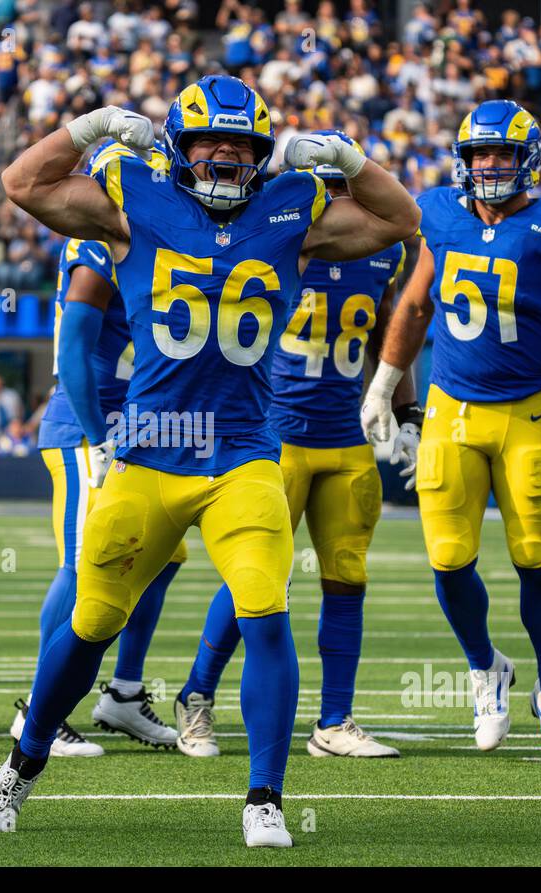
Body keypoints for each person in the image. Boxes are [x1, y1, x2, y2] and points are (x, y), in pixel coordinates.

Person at [0, 74, 418, 846]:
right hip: (148, 453)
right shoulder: (132, 194)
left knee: (266, 613)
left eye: (242, 144)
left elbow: (402, 219)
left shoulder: (291, 208)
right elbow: (20, 182)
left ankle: (264, 798)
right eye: (210, 139)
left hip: (242, 454)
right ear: (177, 144)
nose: (224, 155)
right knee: (89, 625)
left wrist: (349, 155)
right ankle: (22, 762)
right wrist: (95, 126)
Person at [369, 100, 541, 765]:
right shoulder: (441, 215)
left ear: (527, 160)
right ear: (464, 159)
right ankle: (485, 669)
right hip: (451, 409)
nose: (491, 165)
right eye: (481, 154)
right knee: (448, 559)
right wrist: (383, 385)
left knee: (537, 558)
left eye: (503, 154)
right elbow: (416, 303)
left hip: (527, 413)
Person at [173, 130, 414, 760]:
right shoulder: (277, 240)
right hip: (274, 432)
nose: (333, 206)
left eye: (341, 191)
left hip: (344, 433)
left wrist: (401, 403)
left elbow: (390, 326)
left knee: (346, 578)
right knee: (254, 578)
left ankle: (334, 720)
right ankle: (196, 697)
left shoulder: (382, 253)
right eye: (322, 192)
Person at [18, 140, 183, 758]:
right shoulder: (95, 245)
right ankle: (41, 708)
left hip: (134, 420)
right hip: (87, 422)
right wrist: (98, 435)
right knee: (83, 558)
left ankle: (123, 693)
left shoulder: (140, 240)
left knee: (164, 558)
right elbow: (75, 353)